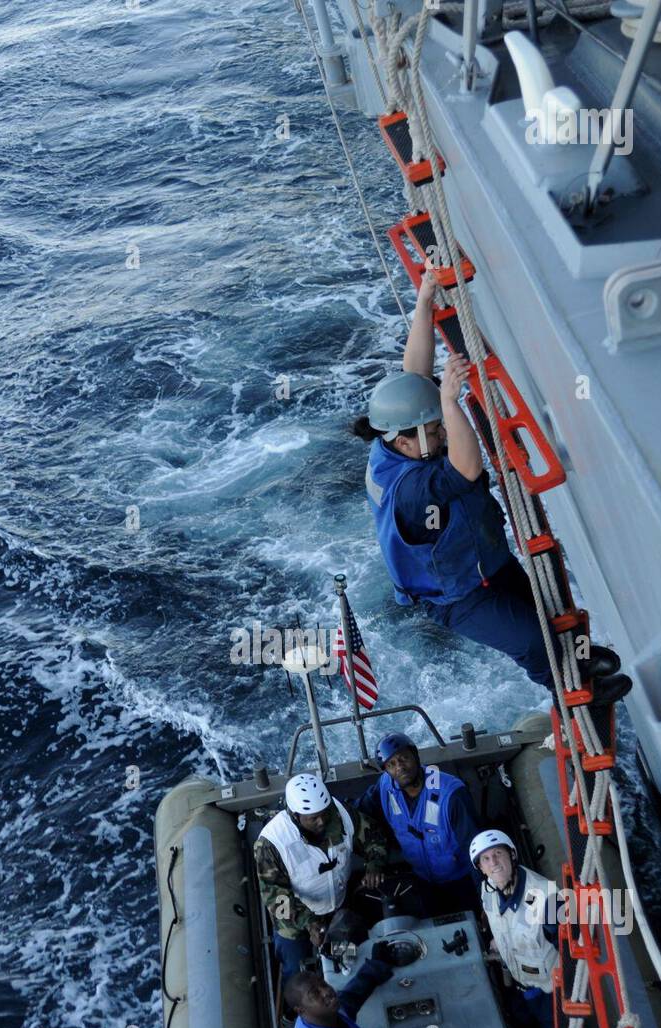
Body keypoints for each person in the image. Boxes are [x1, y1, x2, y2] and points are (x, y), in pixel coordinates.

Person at [356, 263, 631, 704]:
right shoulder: (409, 488)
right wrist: (450, 402)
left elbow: (414, 377)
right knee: (530, 640)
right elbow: (465, 468)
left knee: (543, 615)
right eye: (434, 426)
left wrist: (424, 301)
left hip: (483, 557)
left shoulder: (396, 440)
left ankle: (576, 659)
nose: (441, 429)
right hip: (456, 593)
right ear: (406, 441)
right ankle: (571, 689)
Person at [254, 773, 388, 983]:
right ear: (295, 815)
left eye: (324, 814)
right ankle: (294, 1010)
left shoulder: (341, 814)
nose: (321, 821)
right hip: (295, 920)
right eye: (313, 818)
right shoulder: (271, 844)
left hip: (339, 905)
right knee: (296, 970)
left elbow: (373, 836)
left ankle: (345, 985)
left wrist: (374, 863)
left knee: (349, 954)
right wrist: (309, 923)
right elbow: (275, 898)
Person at [356, 732, 480, 915]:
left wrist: (485, 897)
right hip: (421, 879)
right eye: (391, 765)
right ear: (386, 771)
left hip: (460, 880)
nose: (400, 768)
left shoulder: (451, 795)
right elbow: (359, 811)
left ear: (416, 756)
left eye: (404, 758)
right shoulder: (385, 787)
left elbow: (474, 848)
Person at [470, 828, 560, 1028]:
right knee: (517, 1027)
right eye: (486, 860)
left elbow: (572, 946)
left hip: (549, 993)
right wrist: (497, 942)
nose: (494, 863)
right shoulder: (488, 889)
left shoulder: (547, 898)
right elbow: (497, 918)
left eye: (498, 854)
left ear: (512, 855)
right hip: (517, 984)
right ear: (481, 868)